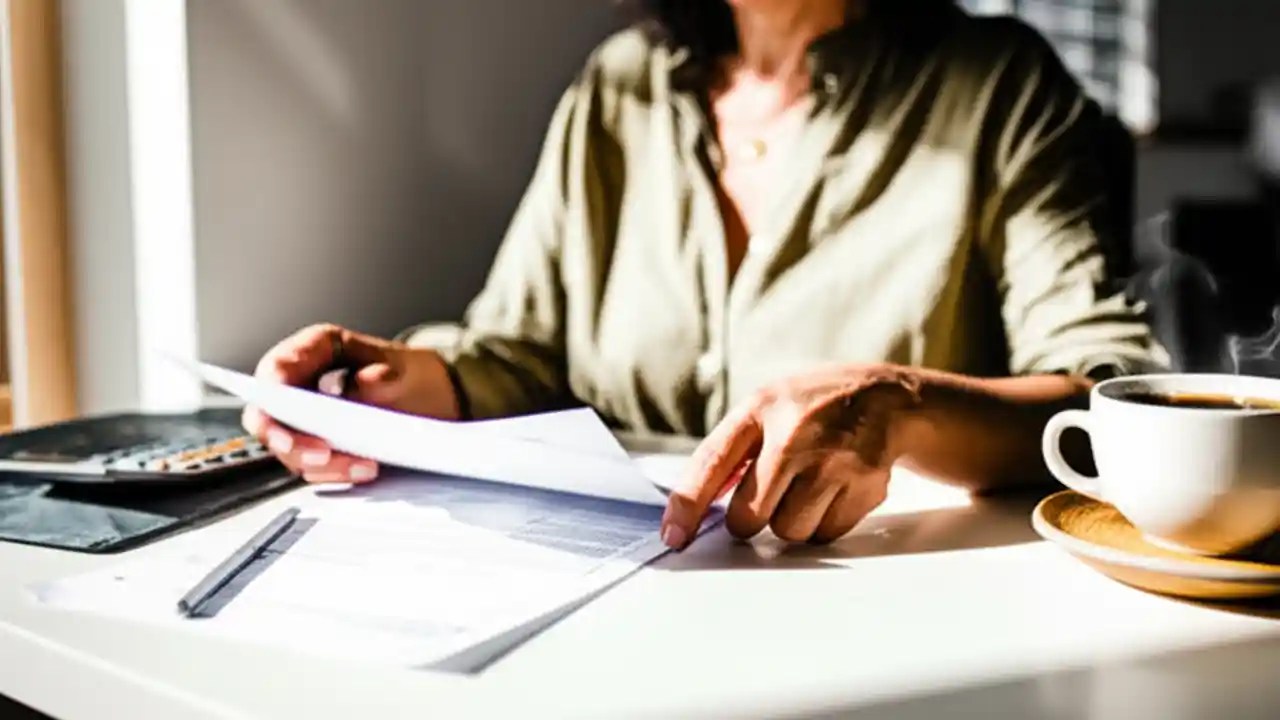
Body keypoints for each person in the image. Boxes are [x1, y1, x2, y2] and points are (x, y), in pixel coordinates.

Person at [244, 0, 1166, 551]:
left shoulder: (998, 86)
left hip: (884, 605)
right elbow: (518, 352)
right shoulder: (620, 88)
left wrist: (904, 404)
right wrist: (382, 388)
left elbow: (1109, 399)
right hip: (612, 610)